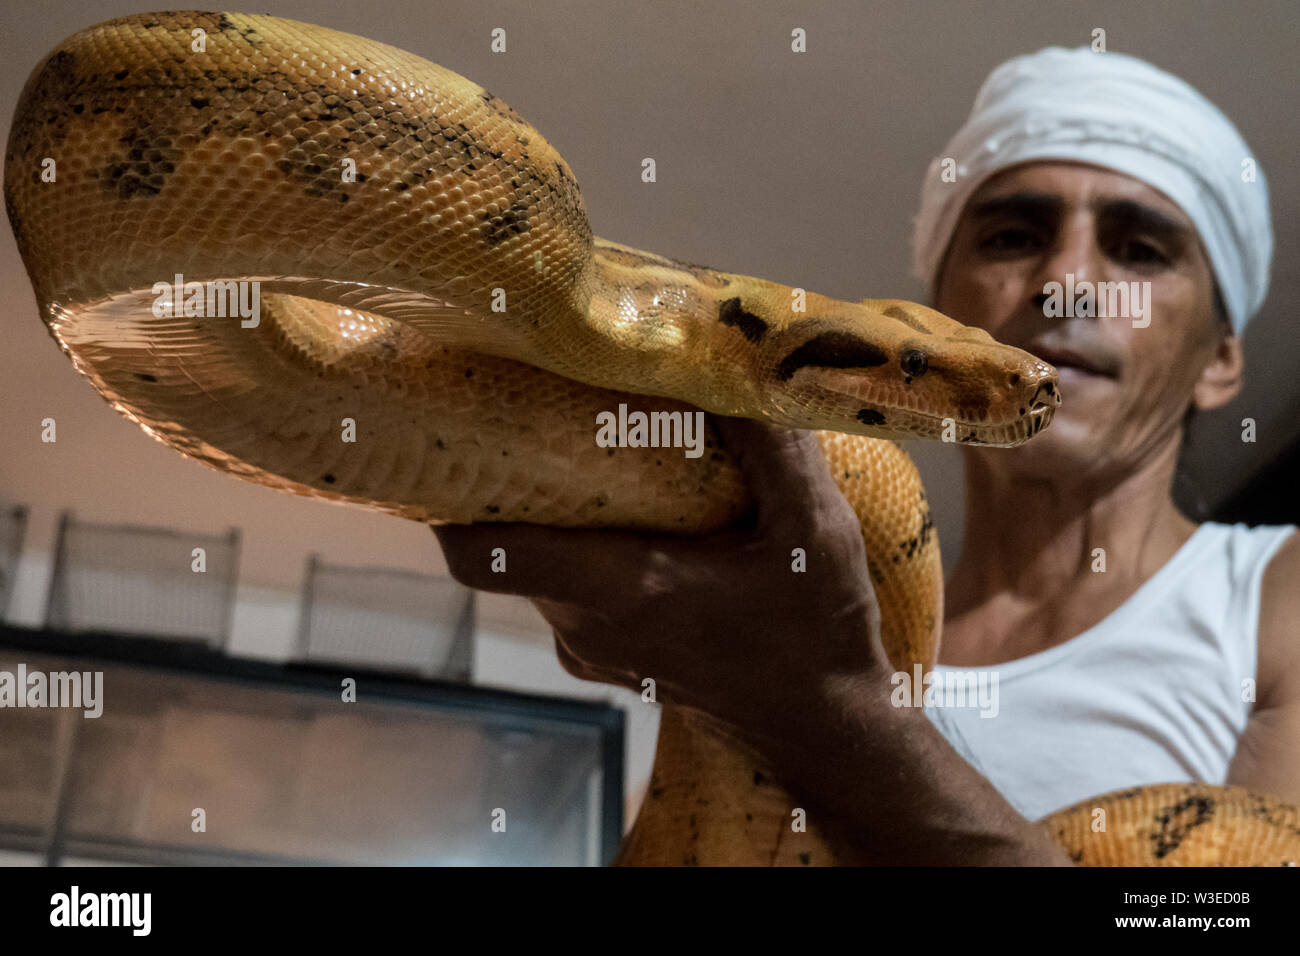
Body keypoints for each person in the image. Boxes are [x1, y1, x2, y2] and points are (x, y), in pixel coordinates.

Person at [433, 47, 1295, 865]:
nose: (1066, 280)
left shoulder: (1275, 599)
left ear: (1223, 357)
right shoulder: (793, 594)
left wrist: (824, 707)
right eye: (1011, 237)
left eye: (1140, 250)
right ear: (939, 308)